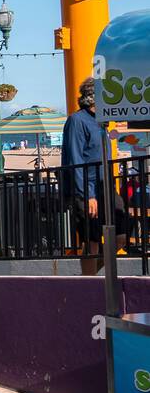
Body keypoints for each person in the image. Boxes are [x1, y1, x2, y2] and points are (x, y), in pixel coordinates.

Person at [63, 76, 126, 277]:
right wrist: (87, 194)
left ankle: (86, 278)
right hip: (87, 188)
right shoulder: (77, 120)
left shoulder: (102, 123)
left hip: (105, 185)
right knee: (91, 240)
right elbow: (75, 159)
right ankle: (89, 282)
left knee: (121, 236)